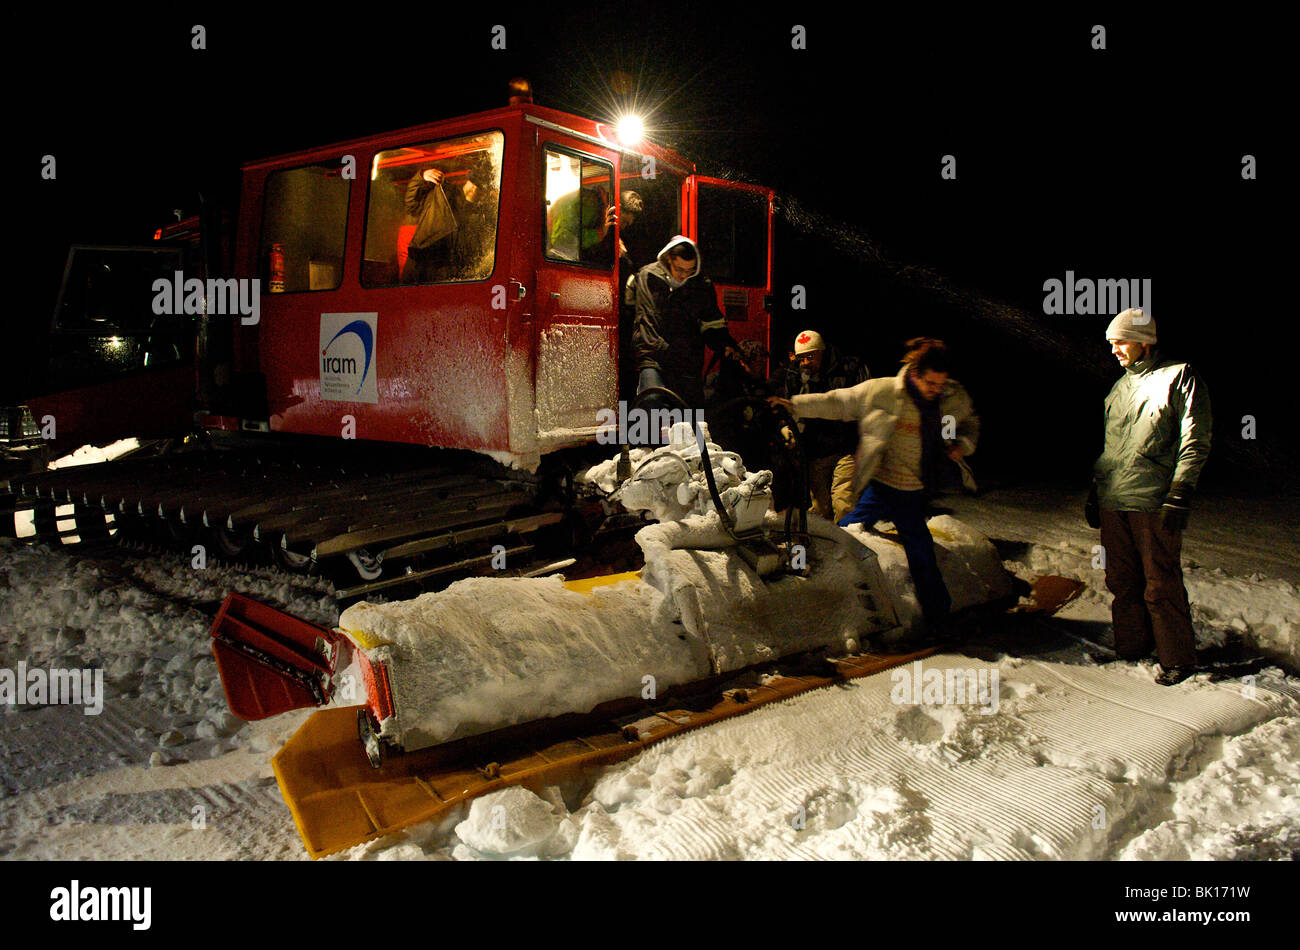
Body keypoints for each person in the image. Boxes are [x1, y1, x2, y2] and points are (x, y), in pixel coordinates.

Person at [771, 338, 978, 629]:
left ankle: (938, 616)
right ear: (915, 374)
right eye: (930, 383)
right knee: (845, 532)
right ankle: (832, 593)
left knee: (920, 551)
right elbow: (838, 401)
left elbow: (969, 423)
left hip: (911, 490)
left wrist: (962, 444)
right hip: (880, 484)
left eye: (940, 384)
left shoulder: (949, 397)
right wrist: (794, 405)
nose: (935, 390)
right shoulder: (884, 393)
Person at [1086, 308, 1211, 686]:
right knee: (1121, 580)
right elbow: (1112, 448)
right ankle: (1131, 647)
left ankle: (1177, 658)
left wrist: (1180, 492)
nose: (1114, 350)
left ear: (1145, 340)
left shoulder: (1180, 377)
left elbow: (1195, 441)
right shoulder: (1119, 388)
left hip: (1153, 502)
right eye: (1111, 343)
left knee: (1160, 582)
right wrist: (1096, 490)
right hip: (1114, 500)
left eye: (1120, 341)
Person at [630, 236, 737, 412]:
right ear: (668, 259)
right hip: (654, 357)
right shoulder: (648, 277)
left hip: (686, 360)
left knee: (691, 412)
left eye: (690, 270)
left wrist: (723, 343)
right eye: (679, 269)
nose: (684, 275)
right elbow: (646, 323)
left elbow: (711, 320)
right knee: (652, 402)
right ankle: (650, 439)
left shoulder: (701, 284)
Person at [776, 329, 870, 521]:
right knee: (819, 509)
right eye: (801, 358)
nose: (805, 363)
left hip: (847, 447)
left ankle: (848, 546)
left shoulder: (850, 370)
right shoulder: (796, 374)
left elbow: (866, 406)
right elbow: (789, 405)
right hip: (816, 451)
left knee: (844, 504)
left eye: (810, 357)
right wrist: (788, 427)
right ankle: (827, 548)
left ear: (822, 352)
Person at [402, 157, 495, 283]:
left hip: (448, 277)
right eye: (472, 182)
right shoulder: (441, 192)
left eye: (479, 186)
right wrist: (421, 177)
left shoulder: (483, 216)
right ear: (467, 180)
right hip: (421, 268)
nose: (473, 188)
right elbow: (411, 205)